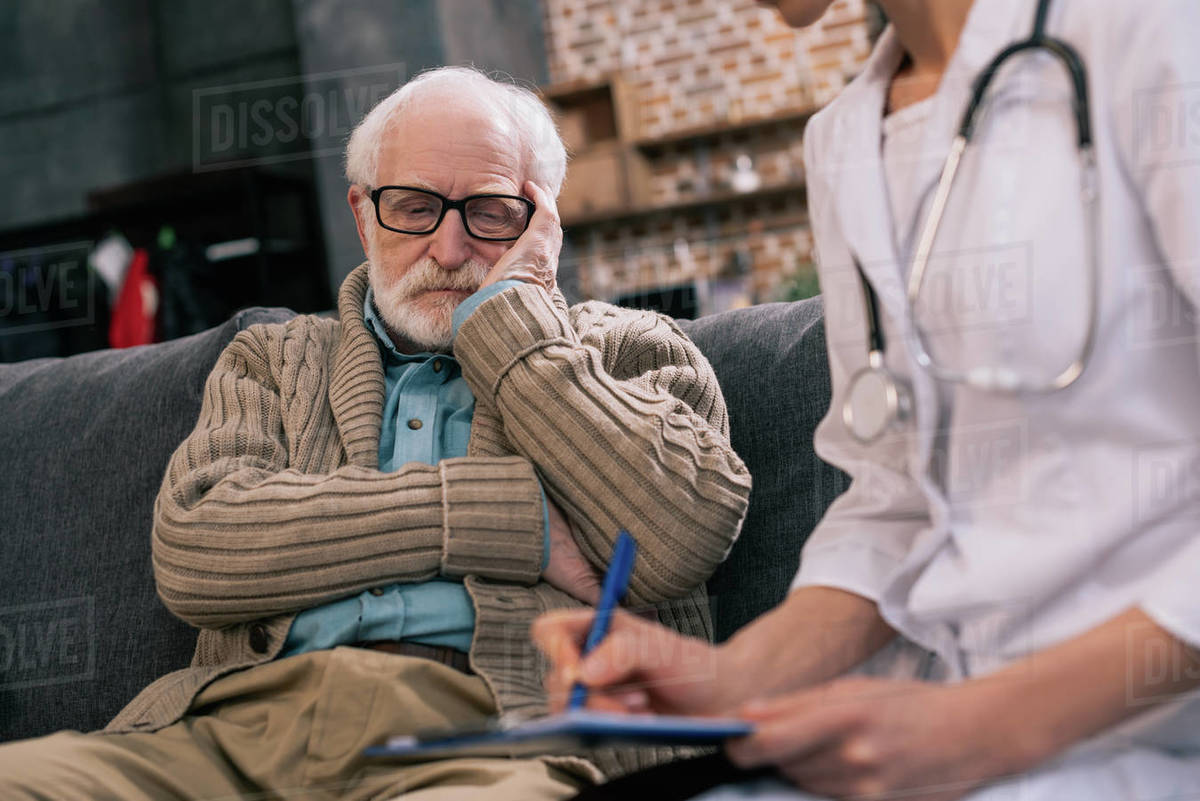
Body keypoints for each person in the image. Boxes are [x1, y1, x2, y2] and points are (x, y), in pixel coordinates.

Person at [0, 66, 752, 800]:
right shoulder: (272, 358)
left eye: (489, 212)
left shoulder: (630, 349)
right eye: (414, 207)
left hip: (500, 737)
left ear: (542, 223)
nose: (450, 250)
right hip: (234, 736)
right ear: (363, 217)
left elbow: (673, 537)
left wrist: (513, 329)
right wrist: (507, 518)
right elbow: (198, 548)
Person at [534, 1, 1200, 799]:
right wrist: (726, 679)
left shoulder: (1153, 30)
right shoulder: (845, 136)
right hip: (943, 725)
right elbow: (893, 498)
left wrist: (983, 726)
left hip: (1150, 735)